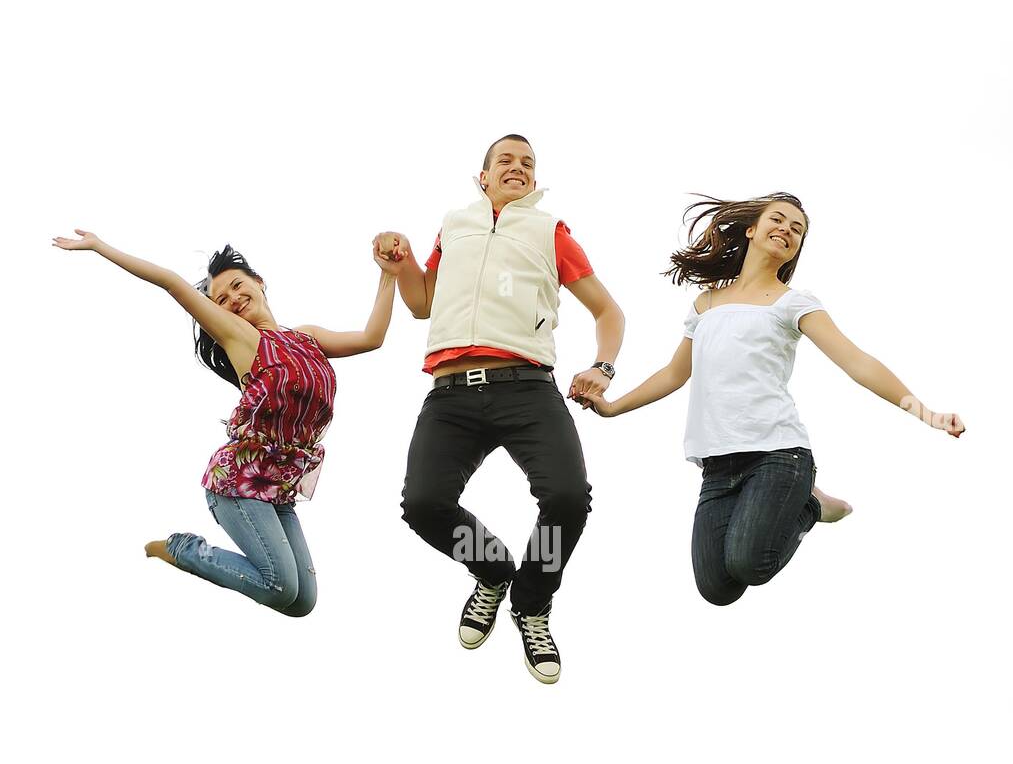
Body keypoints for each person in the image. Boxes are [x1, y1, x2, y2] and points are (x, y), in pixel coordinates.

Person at [577, 193, 964, 605]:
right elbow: (675, 373)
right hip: (717, 464)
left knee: (750, 565)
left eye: (797, 229)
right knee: (718, 589)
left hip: (777, 454)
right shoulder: (706, 303)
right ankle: (806, 499)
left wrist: (927, 413)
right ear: (752, 230)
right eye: (778, 220)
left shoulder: (793, 303)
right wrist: (614, 407)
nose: (786, 230)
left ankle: (810, 505)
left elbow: (857, 362)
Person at [373, 134, 624, 682]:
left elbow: (608, 311)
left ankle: (532, 601)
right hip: (451, 395)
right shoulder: (455, 225)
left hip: (526, 387)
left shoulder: (548, 230)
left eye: (528, 164)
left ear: (534, 180)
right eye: (505, 161)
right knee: (422, 504)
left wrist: (601, 367)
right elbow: (421, 304)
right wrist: (401, 261)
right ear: (481, 178)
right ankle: (491, 569)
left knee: (567, 499)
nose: (518, 168)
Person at [52, 231, 396, 614]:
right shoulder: (241, 337)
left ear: (259, 282)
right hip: (238, 483)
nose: (233, 299)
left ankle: (197, 553)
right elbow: (170, 281)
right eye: (221, 299)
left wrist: (389, 272)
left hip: (278, 486)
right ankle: (182, 549)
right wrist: (100, 247)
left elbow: (371, 337)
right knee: (281, 587)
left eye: (238, 285)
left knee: (303, 602)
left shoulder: (307, 337)